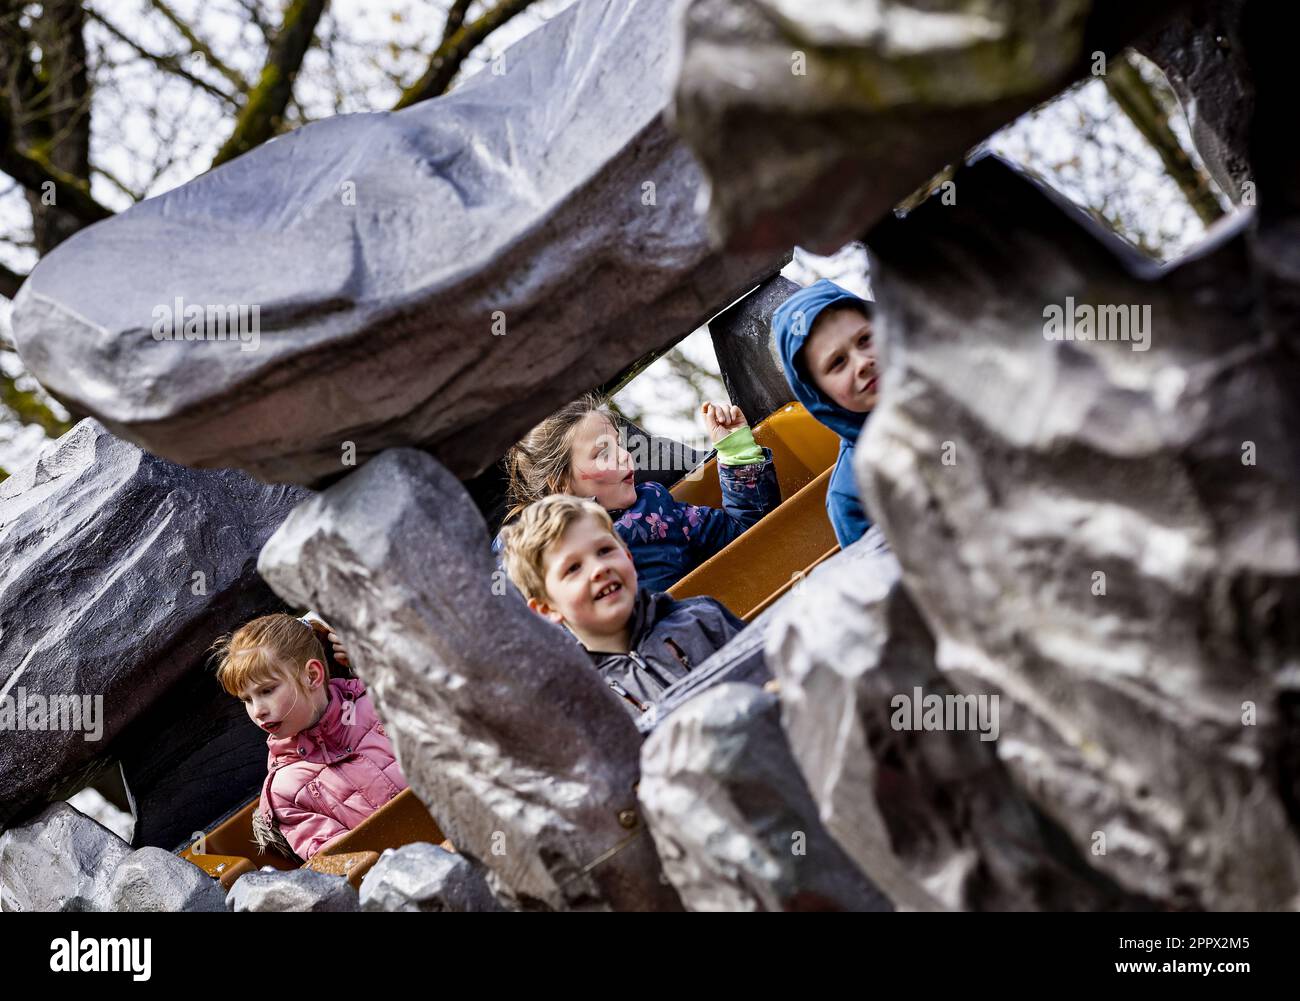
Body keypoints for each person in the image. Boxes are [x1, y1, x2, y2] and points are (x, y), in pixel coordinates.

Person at [499, 393, 781, 593]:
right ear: (560, 484)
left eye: (618, 444)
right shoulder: (530, 559)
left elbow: (748, 534)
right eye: (603, 452)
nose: (624, 456)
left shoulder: (655, 511)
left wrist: (737, 451)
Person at [499, 493, 745, 717]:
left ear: (627, 556)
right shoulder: (583, 703)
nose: (599, 568)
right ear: (546, 609)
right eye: (573, 568)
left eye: (605, 550)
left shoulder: (702, 618)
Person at [211, 613, 407, 861]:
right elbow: (344, 866)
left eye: (267, 690)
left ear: (312, 675)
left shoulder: (383, 704)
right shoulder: (285, 792)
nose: (257, 710)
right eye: (247, 700)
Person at [774, 278, 878, 548]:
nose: (863, 363)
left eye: (866, 339)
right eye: (838, 362)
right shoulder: (850, 496)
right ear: (818, 393)